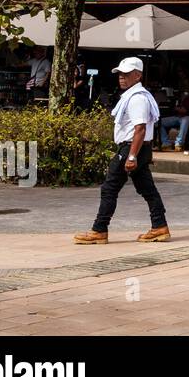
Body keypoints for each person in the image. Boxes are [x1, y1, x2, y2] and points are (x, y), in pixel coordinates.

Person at [74, 57, 171, 244]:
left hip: (131, 148)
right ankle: (159, 226)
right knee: (147, 189)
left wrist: (132, 155)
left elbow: (140, 129)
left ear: (138, 75)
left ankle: (99, 229)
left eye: (126, 74)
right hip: (136, 148)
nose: (122, 77)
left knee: (109, 188)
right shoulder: (135, 95)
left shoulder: (137, 99)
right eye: (120, 74)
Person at [159, 81, 189, 151]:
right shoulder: (187, 98)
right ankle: (166, 143)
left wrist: (187, 111)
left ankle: (179, 143)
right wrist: (178, 109)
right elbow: (181, 106)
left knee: (185, 120)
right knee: (160, 121)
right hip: (179, 116)